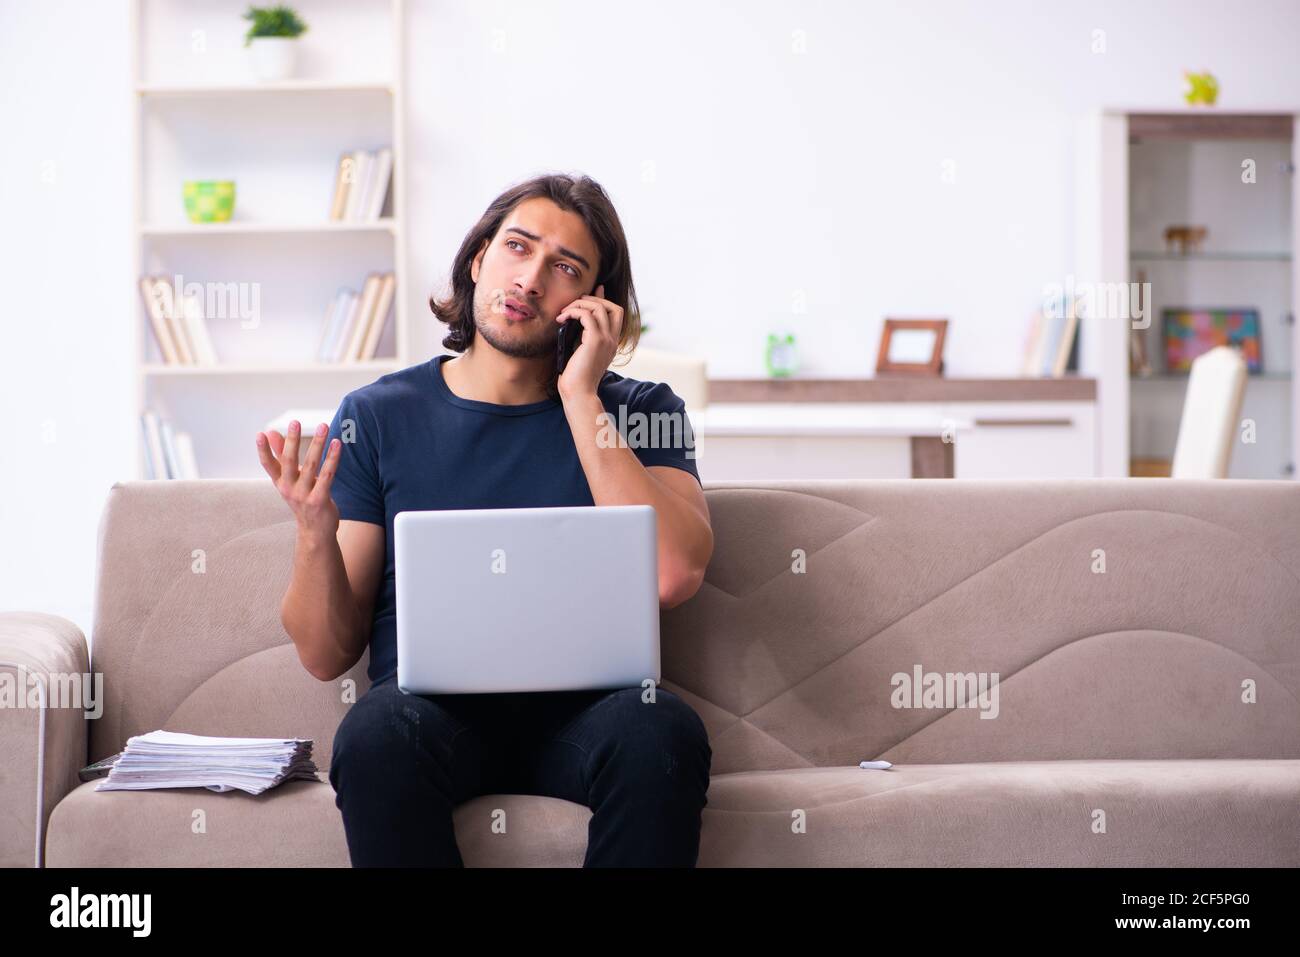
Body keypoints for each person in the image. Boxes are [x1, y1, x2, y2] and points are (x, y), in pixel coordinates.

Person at [254, 172, 714, 867]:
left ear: (597, 304)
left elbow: (674, 572)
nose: (529, 278)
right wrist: (315, 533)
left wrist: (580, 395)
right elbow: (324, 654)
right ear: (478, 259)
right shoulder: (379, 415)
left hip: (593, 717)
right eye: (517, 247)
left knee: (663, 730)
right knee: (373, 734)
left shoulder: (644, 409)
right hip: (429, 717)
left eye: (565, 267)